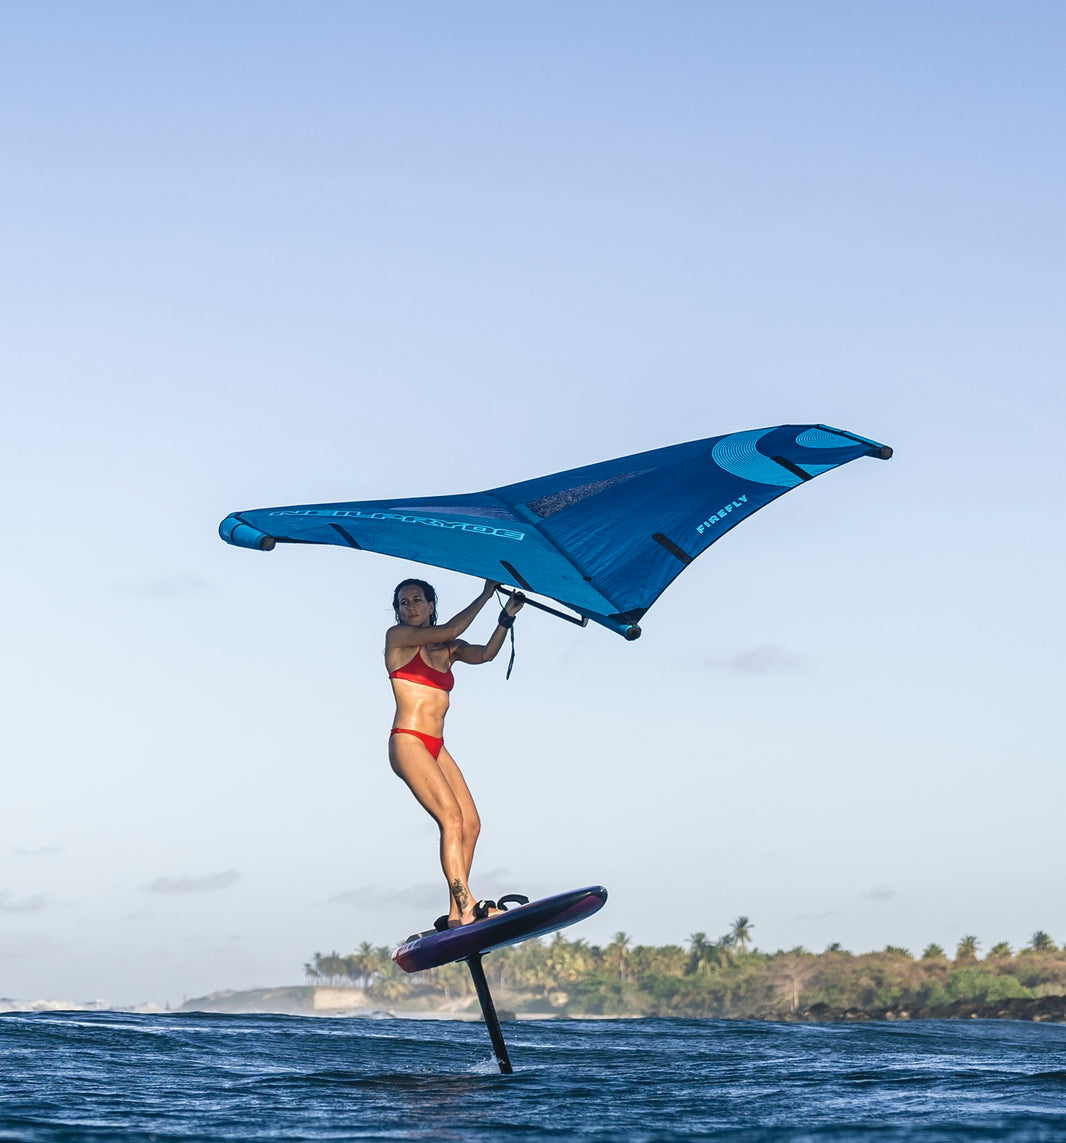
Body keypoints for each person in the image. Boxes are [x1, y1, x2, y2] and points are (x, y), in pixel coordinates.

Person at [386, 577, 525, 928]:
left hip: (437, 745)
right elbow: (451, 626)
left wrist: (505, 616)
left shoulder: (450, 649)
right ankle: (467, 906)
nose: (411, 607)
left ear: (430, 605)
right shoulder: (397, 639)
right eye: (404, 603)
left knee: (472, 825)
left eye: (418, 600)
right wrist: (485, 594)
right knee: (451, 820)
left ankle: (454, 914)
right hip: (409, 740)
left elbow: (486, 654)